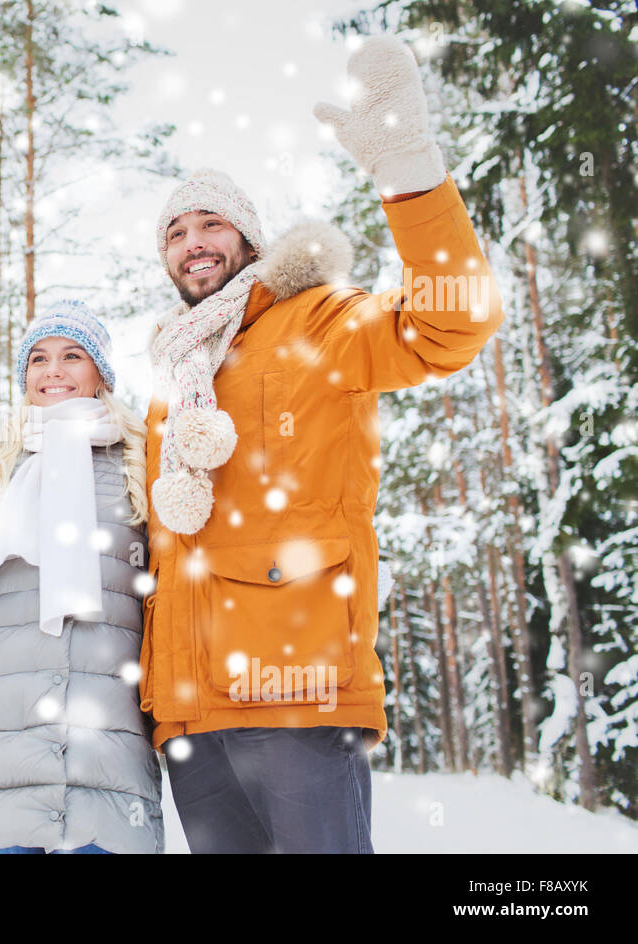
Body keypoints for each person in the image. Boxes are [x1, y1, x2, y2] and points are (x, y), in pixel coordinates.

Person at [139, 35, 505, 853]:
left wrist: (409, 171)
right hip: (192, 715)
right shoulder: (173, 373)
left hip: (297, 692)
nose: (193, 240)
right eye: (175, 231)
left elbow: (450, 324)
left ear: (249, 237)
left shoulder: (317, 321)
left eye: (212, 222)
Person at [0, 300, 164, 854]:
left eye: (71, 355)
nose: (52, 370)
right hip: (1, 762)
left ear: (100, 372)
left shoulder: (140, 463)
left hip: (108, 761)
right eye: (38, 359)